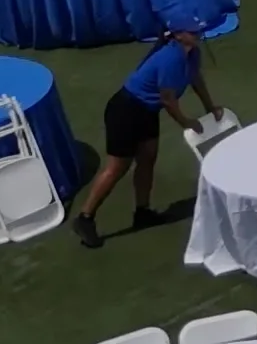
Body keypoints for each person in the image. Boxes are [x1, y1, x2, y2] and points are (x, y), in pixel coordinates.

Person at [69, 20, 223, 249]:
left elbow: (196, 79)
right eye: (192, 30)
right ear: (178, 35)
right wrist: (187, 122)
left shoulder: (192, 53)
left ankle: (143, 212)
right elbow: (168, 100)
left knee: (148, 158)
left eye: (198, 29)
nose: (197, 33)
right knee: (117, 167)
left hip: (147, 111)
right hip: (126, 111)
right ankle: (85, 218)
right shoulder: (170, 58)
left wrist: (210, 107)